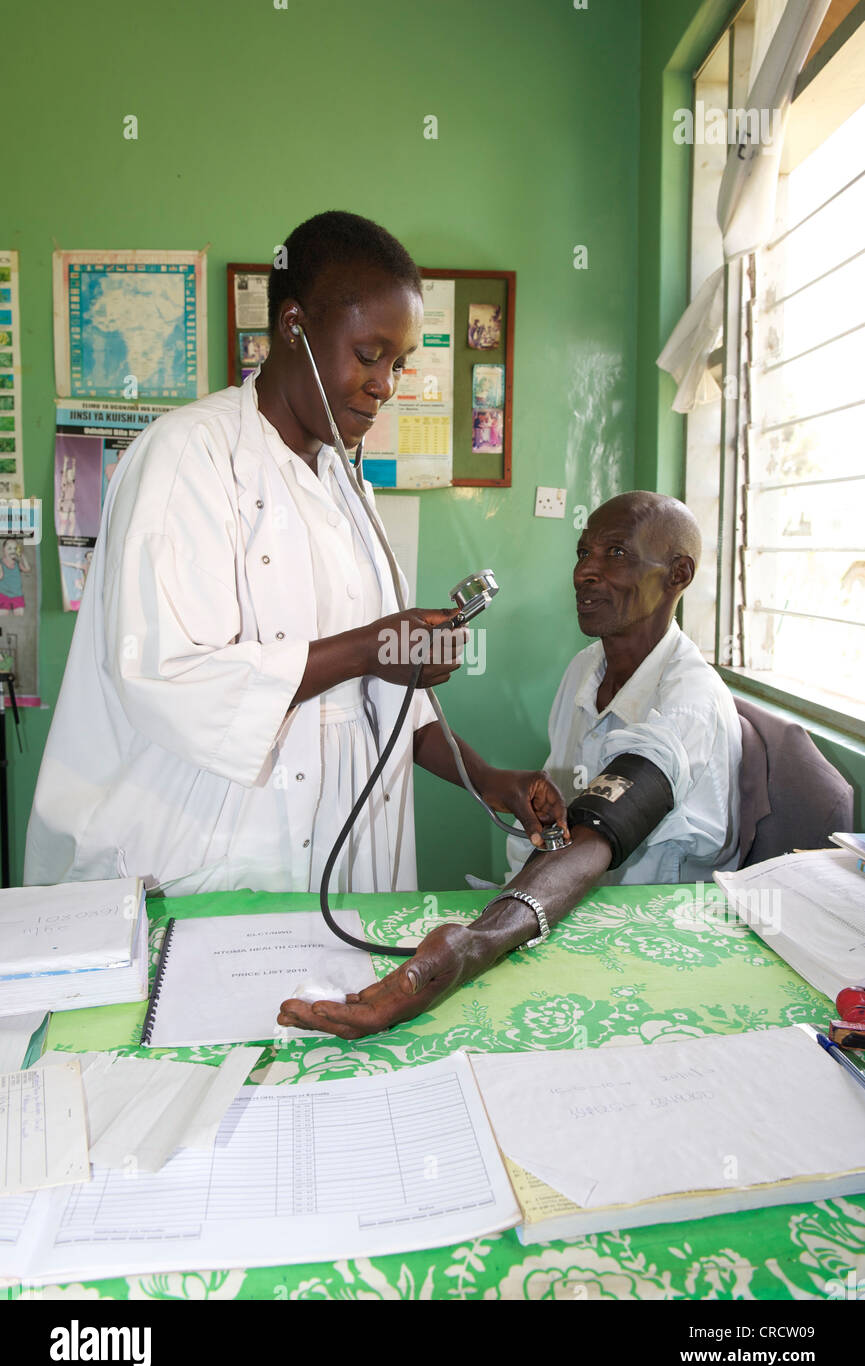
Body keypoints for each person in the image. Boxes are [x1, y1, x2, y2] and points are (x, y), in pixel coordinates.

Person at [24, 212, 565, 894]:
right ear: (293, 327)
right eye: (368, 355)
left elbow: (378, 695)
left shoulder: (345, 485)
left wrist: (483, 776)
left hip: (337, 860)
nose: (385, 385)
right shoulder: (188, 456)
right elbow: (170, 679)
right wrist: (372, 645)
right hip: (194, 860)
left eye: (398, 364)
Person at [278, 490, 742, 1039]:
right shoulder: (586, 670)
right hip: (562, 911)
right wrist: (535, 806)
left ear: (678, 574)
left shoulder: (689, 702)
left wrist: (476, 944)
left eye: (614, 554)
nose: (584, 572)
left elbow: (602, 830)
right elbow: (574, 825)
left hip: (650, 936)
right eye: (582, 552)